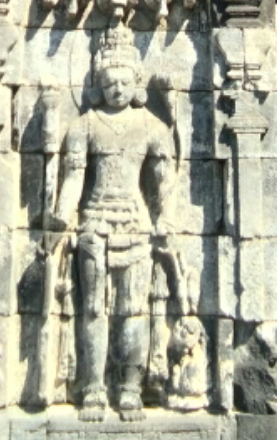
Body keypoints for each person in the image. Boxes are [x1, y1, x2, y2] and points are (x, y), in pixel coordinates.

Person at [47, 26, 175, 422]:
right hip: (94, 224)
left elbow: (163, 181)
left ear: (137, 82)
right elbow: (73, 181)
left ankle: (130, 388)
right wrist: (58, 220)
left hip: (135, 224)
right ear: (97, 84)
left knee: (132, 310)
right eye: (109, 82)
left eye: (124, 81)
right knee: (93, 311)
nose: (117, 88)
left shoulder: (152, 126)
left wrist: (165, 217)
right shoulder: (83, 125)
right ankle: (92, 388)